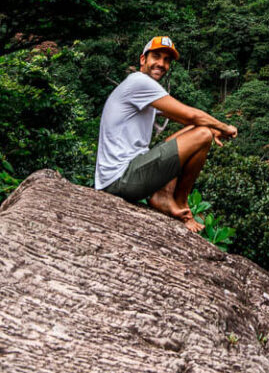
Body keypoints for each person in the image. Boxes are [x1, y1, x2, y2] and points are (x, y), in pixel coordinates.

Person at [94, 35, 237, 232]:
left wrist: (213, 128)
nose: (161, 64)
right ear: (143, 59)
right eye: (157, 57)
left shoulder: (142, 88)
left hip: (125, 174)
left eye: (167, 60)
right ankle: (179, 204)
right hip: (121, 179)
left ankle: (164, 196)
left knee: (201, 131)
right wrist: (224, 127)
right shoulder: (138, 82)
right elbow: (192, 114)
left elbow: (188, 121)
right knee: (203, 134)